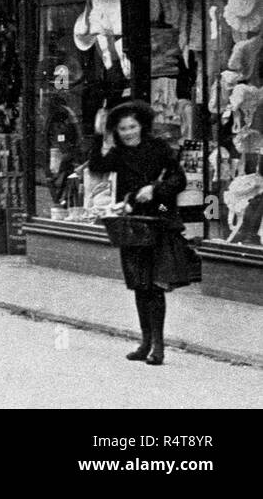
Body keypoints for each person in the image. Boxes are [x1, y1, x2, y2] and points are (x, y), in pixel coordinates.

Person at [87, 100, 191, 366]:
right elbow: (96, 165)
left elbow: (179, 179)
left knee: (155, 286)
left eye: (132, 126)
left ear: (141, 126)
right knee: (138, 285)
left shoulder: (158, 148)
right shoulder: (119, 153)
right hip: (131, 225)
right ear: (117, 131)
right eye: (123, 129)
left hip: (157, 222)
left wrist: (155, 189)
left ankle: (158, 345)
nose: (129, 132)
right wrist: (100, 134)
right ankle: (144, 342)